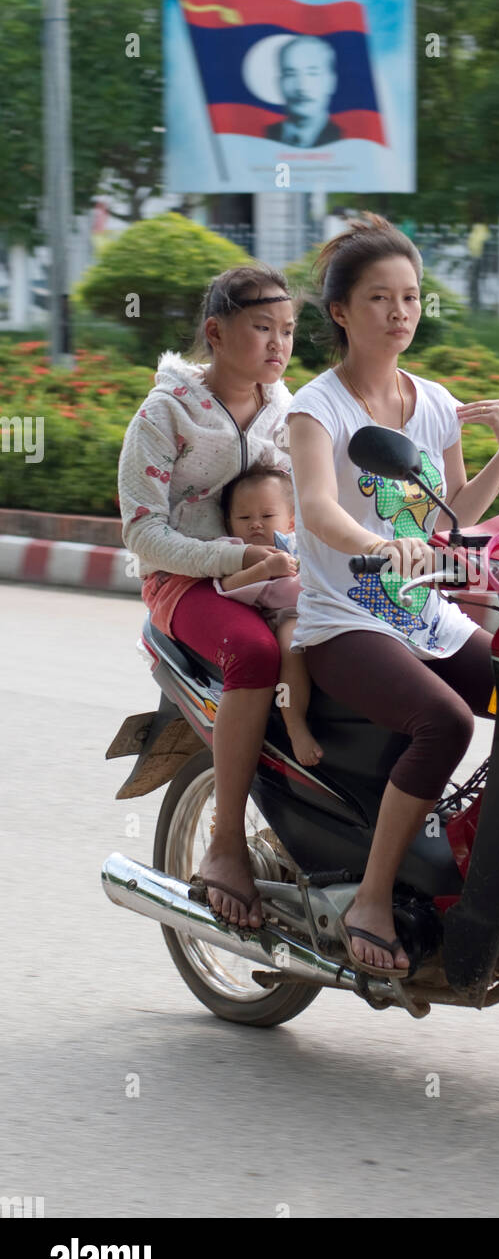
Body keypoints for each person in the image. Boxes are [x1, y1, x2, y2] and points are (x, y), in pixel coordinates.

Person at [287, 212, 499, 976]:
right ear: (340, 311)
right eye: (382, 299)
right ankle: (374, 896)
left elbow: (453, 514)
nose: (400, 314)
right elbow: (318, 510)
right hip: (342, 620)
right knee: (445, 722)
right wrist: (379, 544)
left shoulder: (432, 400)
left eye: (412, 298)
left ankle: (496, 859)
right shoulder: (314, 408)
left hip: (426, 615)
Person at [117, 264, 297, 930]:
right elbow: (142, 531)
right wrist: (232, 558)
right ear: (215, 333)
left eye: (287, 330)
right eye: (261, 329)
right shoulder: (165, 413)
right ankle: (225, 843)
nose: (277, 345)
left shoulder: (286, 409)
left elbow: (316, 496)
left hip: (277, 573)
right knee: (254, 652)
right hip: (184, 584)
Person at [213, 463, 322, 767]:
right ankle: (294, 724)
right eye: (244, 517)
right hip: (284, 617)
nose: (256, 525)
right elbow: (226, 585)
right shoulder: (235, 549)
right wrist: (263, 569)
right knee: (291, 644)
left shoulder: (304, 540)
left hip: (324, 610)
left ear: (291, 519)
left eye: (267, 516)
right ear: (229, 522)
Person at [264, 36, 343, 147]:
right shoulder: (264, 137)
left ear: (331, 82)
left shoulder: (346, 139)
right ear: (279, 83)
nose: (301, 87)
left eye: (312, 73)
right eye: (290, 74)